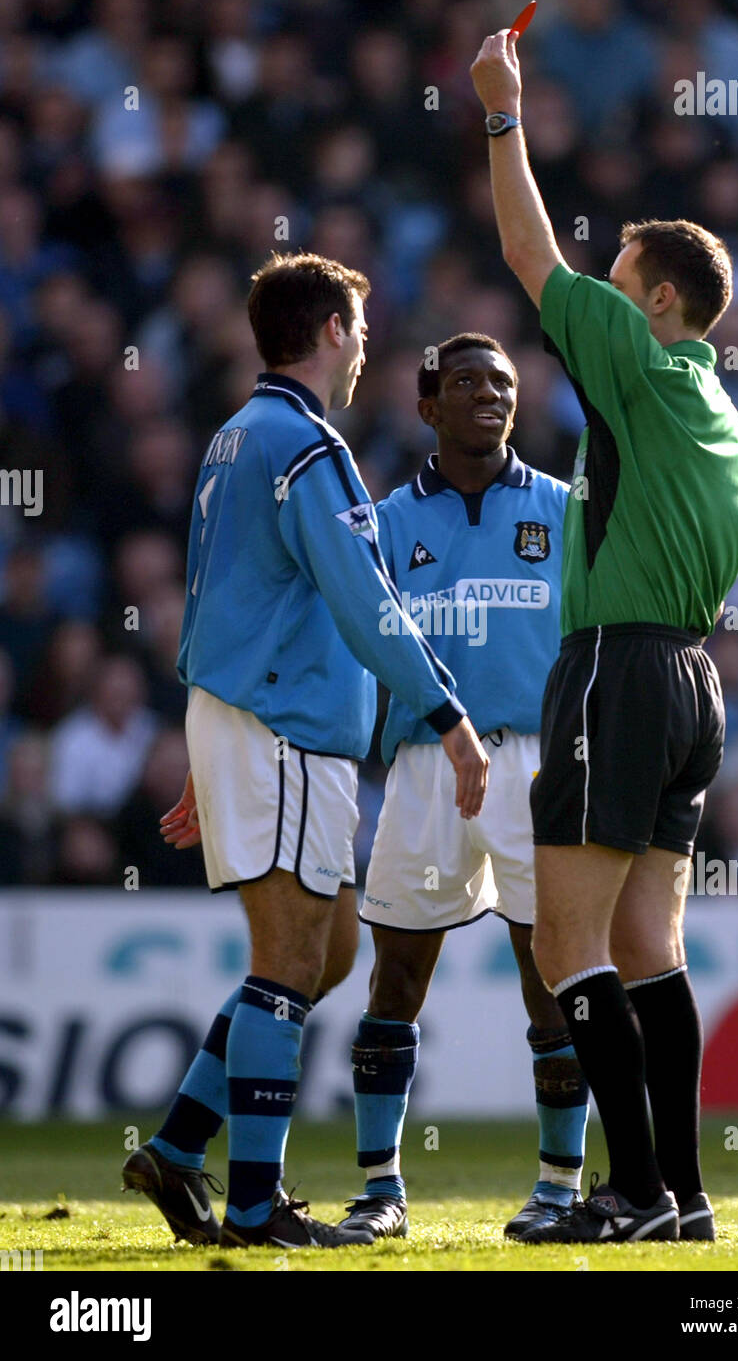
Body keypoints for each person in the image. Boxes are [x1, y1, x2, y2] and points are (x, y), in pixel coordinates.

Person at [122, 252, 488, 1249]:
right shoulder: (305, 448)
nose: (365, 344)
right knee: (288, 960)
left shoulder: (234, 439)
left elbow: (216, 599)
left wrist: (213, 740)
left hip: (254, 719)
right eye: (358, 327)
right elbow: (364, 606)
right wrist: (447, 714)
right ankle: (255, 1205)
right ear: (331, 330)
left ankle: (179, 1145)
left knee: (324, 956)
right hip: (281, 725)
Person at [469, 31, 738, 1244]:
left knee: (565, 940)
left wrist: (500, 110)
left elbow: (525, 252)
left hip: (614, 665)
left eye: (620, 267)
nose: (600, 278)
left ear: (652, 302)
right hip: (692, 682)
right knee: (650, 942)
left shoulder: (635, 366)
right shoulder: (722, 419)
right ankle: (684, 1197)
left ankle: (631, 1188)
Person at [335, 333, 589, 1245]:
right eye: (469, 382)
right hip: (422, 767)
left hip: (533, 768)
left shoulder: (563, 512)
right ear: (428, 405)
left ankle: (559, 1188)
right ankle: (380, 1191)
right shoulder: (386, 522)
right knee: (395, 978)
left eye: (505, 384)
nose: (491, 394)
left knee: (550, 980)